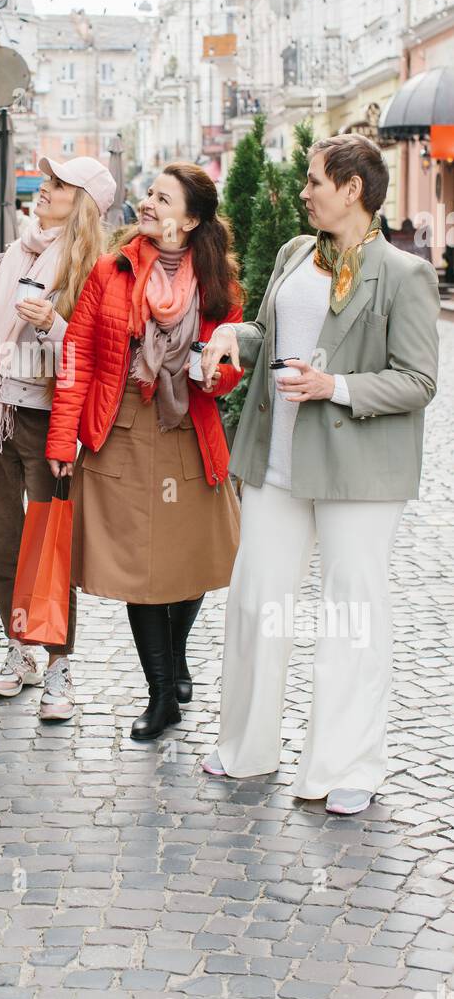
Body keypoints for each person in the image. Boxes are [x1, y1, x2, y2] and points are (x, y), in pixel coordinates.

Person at [200, 134, 439, 814]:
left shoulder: (403, 274)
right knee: (254, 602)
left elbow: (418, 380)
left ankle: (349, 766)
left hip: (360, 472)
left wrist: (334, 386)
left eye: (313, 181)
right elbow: (275, 339)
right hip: (275, 461)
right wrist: (234, 338)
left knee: (352, 615)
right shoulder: (294, 254)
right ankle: (248, 747)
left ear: (352, 188)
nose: (303, 191)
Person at [46, 163, 244, 740]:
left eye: (163, 197)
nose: (148, 204)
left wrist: (217, 377)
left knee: (191, 561)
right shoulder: (113, 271)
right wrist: (63, 439)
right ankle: (161, 694)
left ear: (191, 218)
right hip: (123, 429)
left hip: (188, 429)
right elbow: (77, 357)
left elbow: (230, 362)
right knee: (140, 569)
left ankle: (176, 652)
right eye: (149, 194)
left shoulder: (217, 286)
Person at [0, 155, 115, 720]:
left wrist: (52, 325)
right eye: (48, 182)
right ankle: (20, 649)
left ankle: (58, 667)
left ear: (84, 204)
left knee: (49, 548)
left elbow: (99, 357)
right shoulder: (19, 249)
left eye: (59, 185)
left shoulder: (95, 267)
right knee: (1, 543)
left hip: (50, 422)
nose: (44, 190)